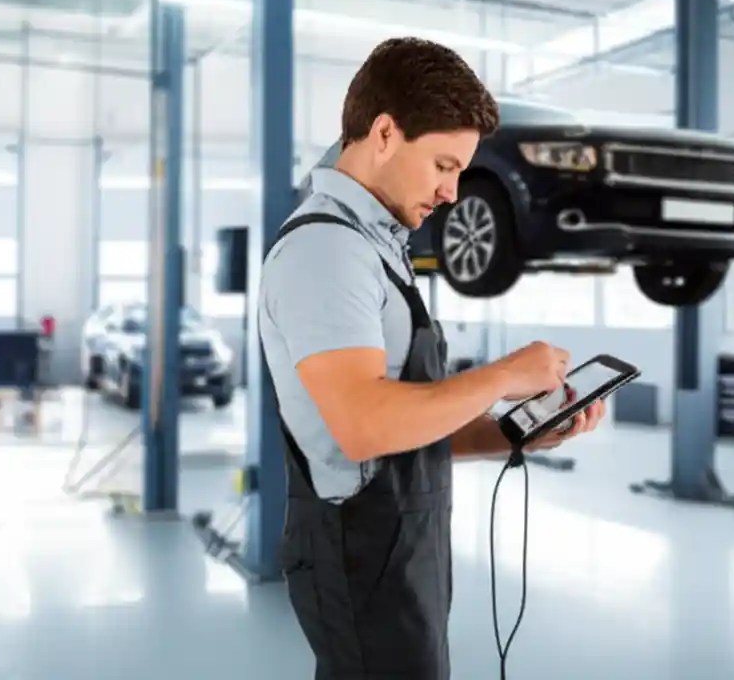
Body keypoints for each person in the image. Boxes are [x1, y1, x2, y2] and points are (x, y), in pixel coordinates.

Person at [257, 37, 606, 680]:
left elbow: (408, 433)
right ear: (384, 132)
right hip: (361, 558)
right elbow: (365, 425)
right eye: (443, 166)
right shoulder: (327, 253)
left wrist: (517, 431)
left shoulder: (375, 245)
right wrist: (502, 376)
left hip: (398, 553)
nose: (451, 194)